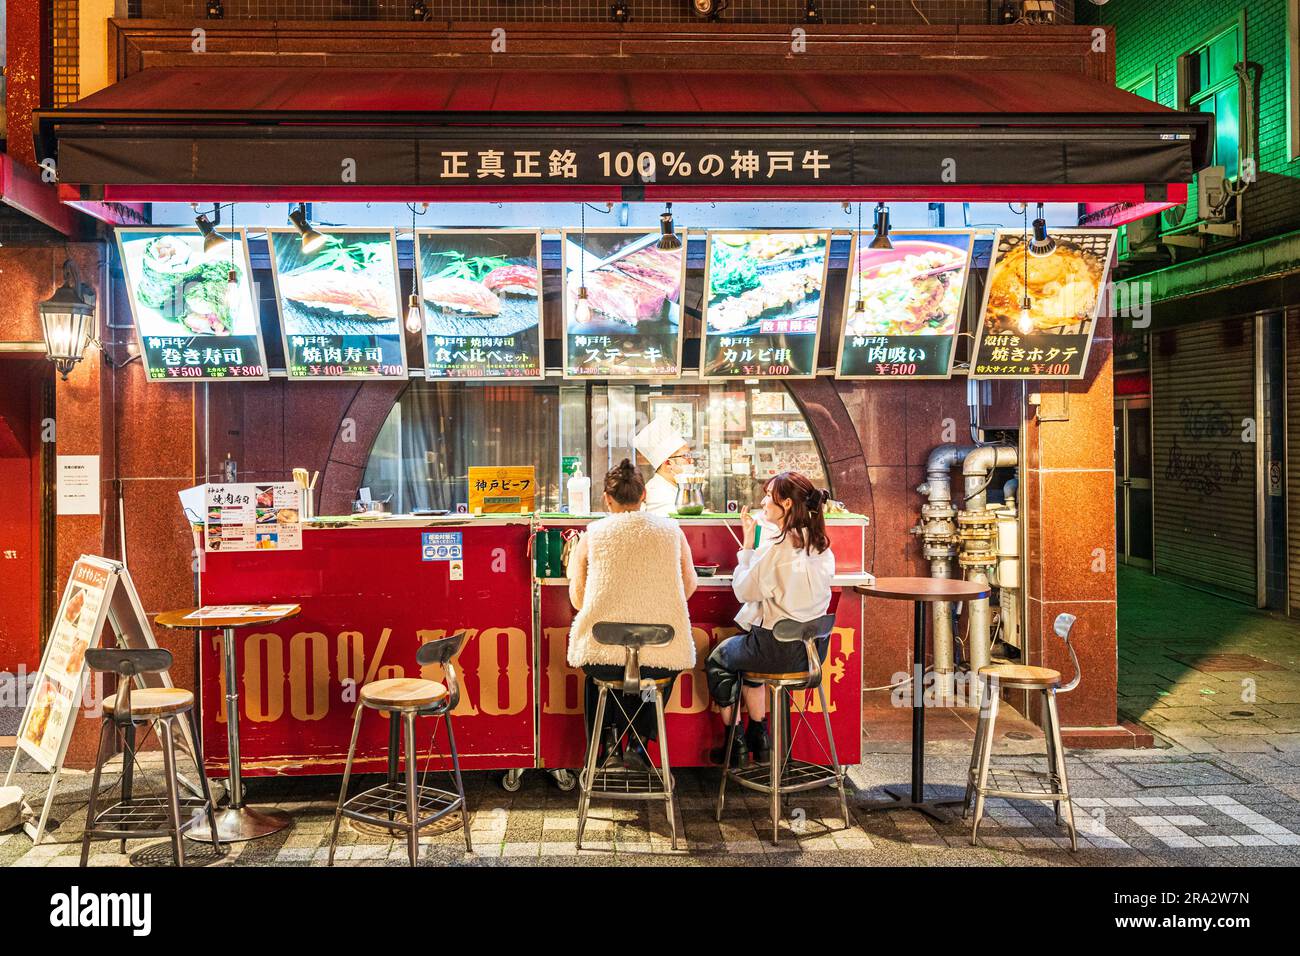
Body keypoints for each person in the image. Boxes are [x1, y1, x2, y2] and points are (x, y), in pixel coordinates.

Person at [568, 459, 699, 769]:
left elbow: (577, 598)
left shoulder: (593, 535)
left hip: (603, 655)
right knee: (655, 675)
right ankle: (638, 743)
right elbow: (689, 586)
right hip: (660, 653)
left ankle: (607, 743)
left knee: (599, 675)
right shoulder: (672, 532)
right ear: (644, 496)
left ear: (606, 498)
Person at [705, 471, 836, 767]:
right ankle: (760, 738)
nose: (763, 501)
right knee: (751, 666)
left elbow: (743, 590)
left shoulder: (778, 549)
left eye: (768, 496)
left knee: (719, 660)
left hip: (775, 653)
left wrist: (747, 546)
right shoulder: (821, 546)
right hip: (812, 656)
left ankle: (735, 740)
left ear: (787, 504)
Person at [632, 416, 694, 516]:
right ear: (668, 464)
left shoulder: (676, 487)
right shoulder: (657, 494)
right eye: (686, 456)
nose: (691, 461)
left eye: (690, 455)